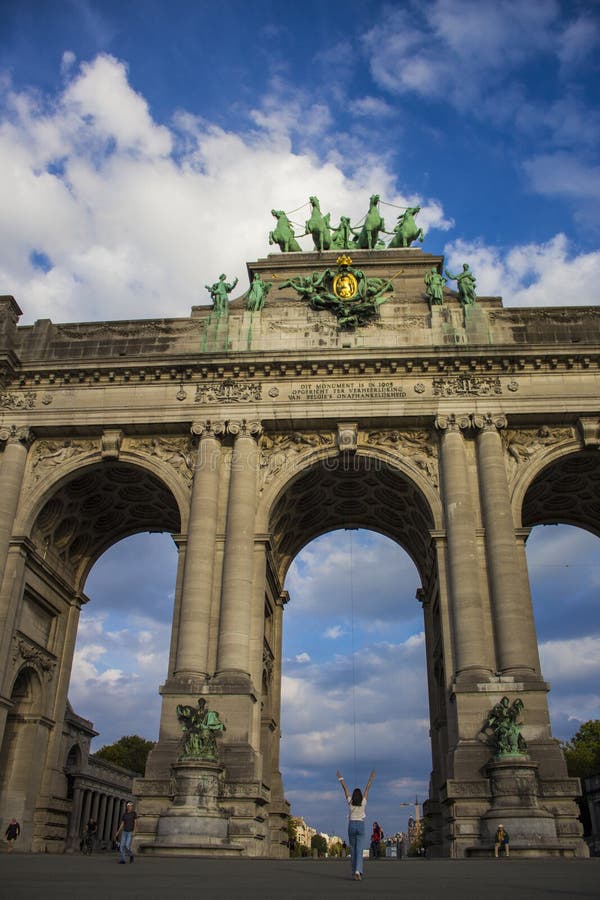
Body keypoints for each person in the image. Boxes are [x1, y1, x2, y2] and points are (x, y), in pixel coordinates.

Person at [336, 769, 375, 881]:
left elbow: (345, 789)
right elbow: (367, 788)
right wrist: (371, 778)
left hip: (351, 824)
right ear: (361, 795)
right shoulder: (363, 802)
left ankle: (354, 871)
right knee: (359, 849)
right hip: (361, 825)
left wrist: (340, 778)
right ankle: (358, 870)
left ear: (353, 795)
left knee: (353, 849)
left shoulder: (350, 802)